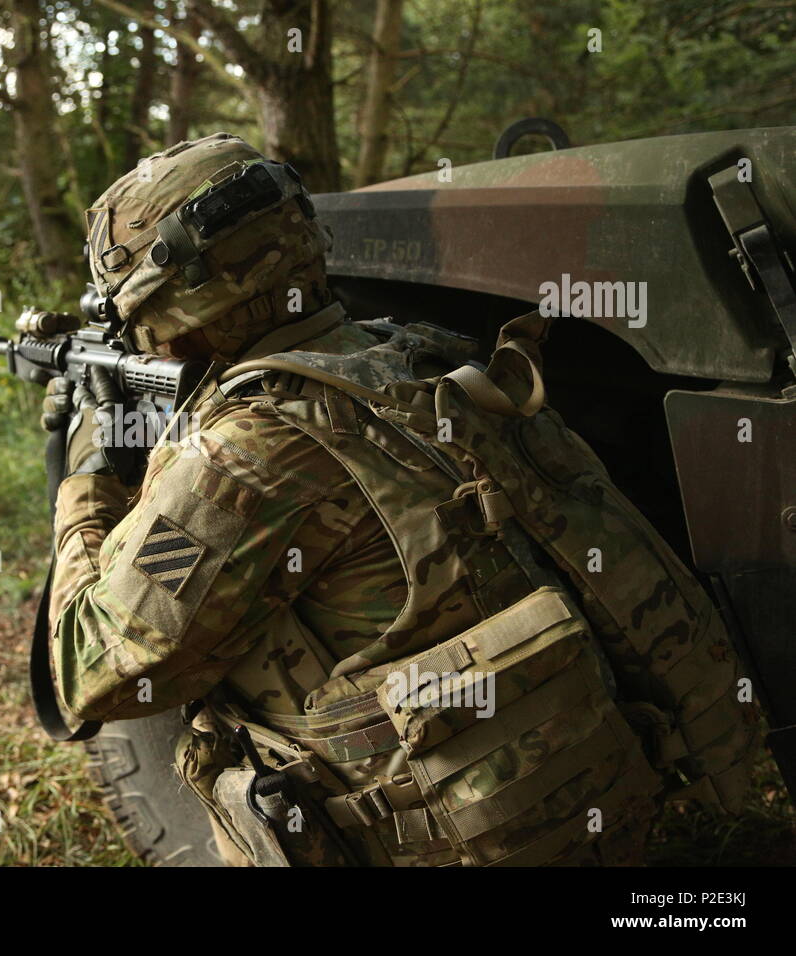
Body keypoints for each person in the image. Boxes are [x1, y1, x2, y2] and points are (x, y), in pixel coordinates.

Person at [40, 132, 757, 866]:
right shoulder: (420, 354)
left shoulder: (250, 451)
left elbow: (88, 675)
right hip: (591, 790)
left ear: (181, 297)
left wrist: (86, 477)